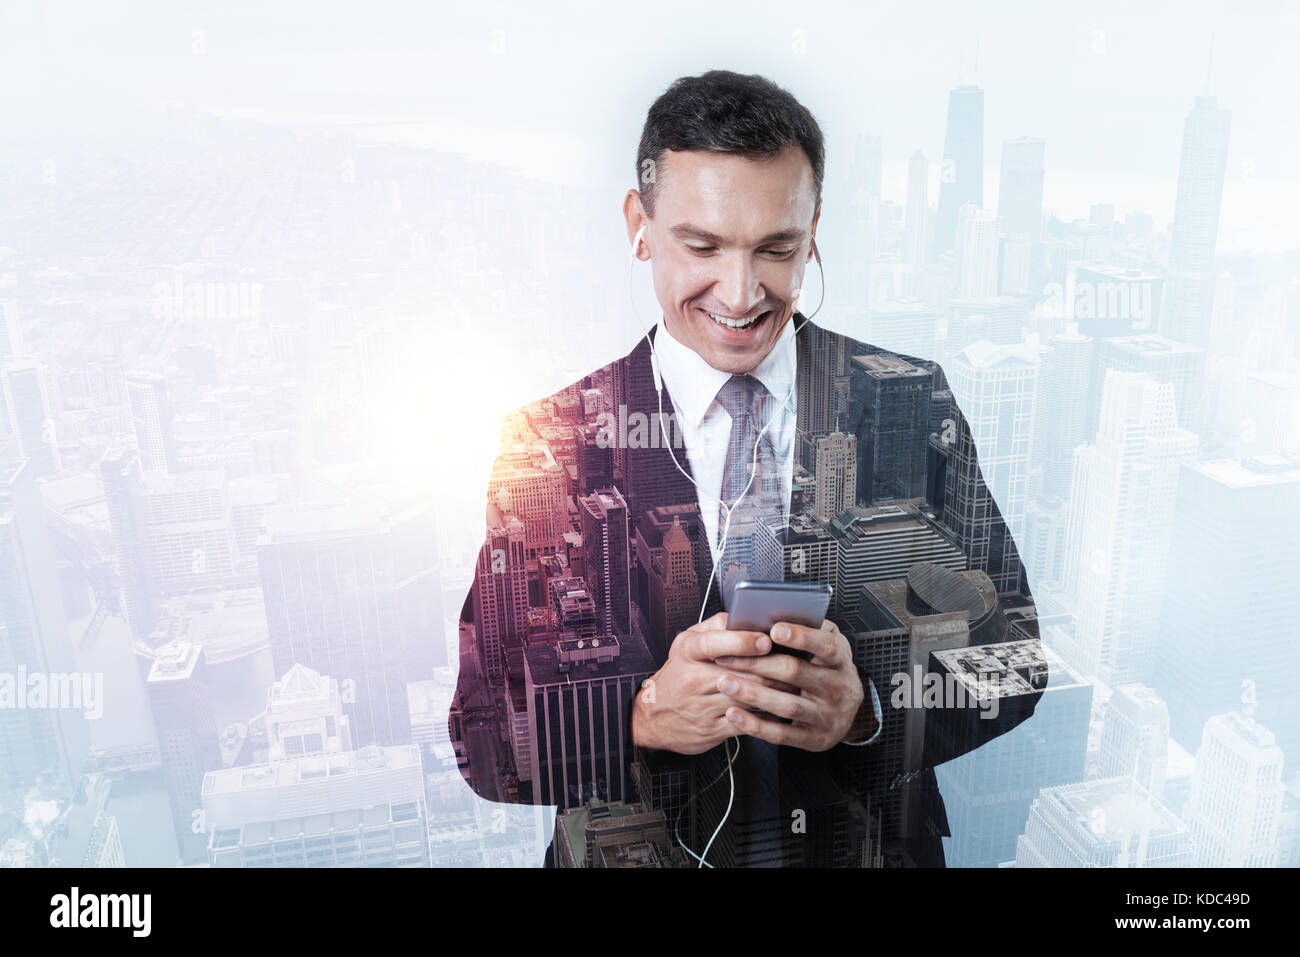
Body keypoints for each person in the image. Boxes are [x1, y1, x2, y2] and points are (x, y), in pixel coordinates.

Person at [450, 70, 1047, 868]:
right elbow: (481, 731)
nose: (740, 293)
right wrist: (640, 713)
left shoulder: (909, 396)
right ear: (640, 225)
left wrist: (866, 707)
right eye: (701, 246)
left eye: (776, 248)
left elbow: (1015, 658)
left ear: (814, 231)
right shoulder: (548, 442)